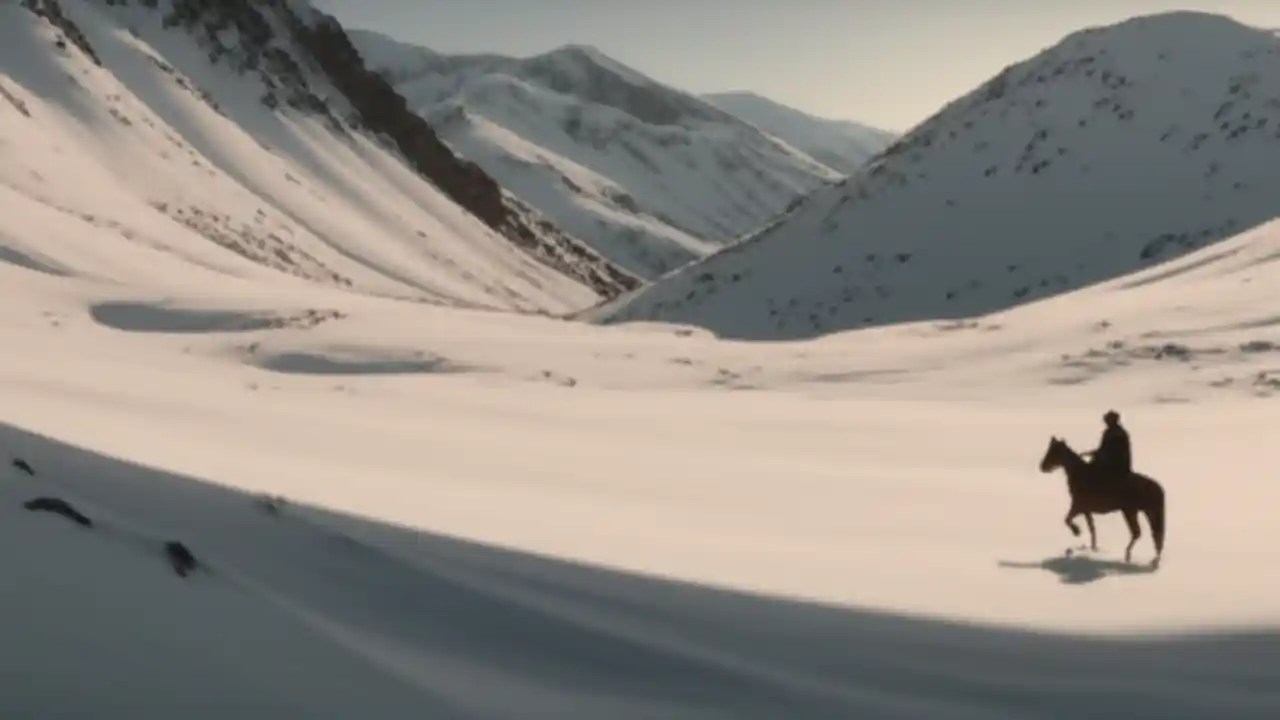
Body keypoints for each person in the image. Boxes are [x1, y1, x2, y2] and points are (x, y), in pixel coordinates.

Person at [1083, 410, 1132, 481]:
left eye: (1108, 420)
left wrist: (1097, 454)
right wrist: (1093, 453)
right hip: (1111, 461)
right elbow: (1104, 448)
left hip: (1117, 464)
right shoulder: (1109, 432)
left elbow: (1112, 451)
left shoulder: (1118, 433)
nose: (1106, 422)